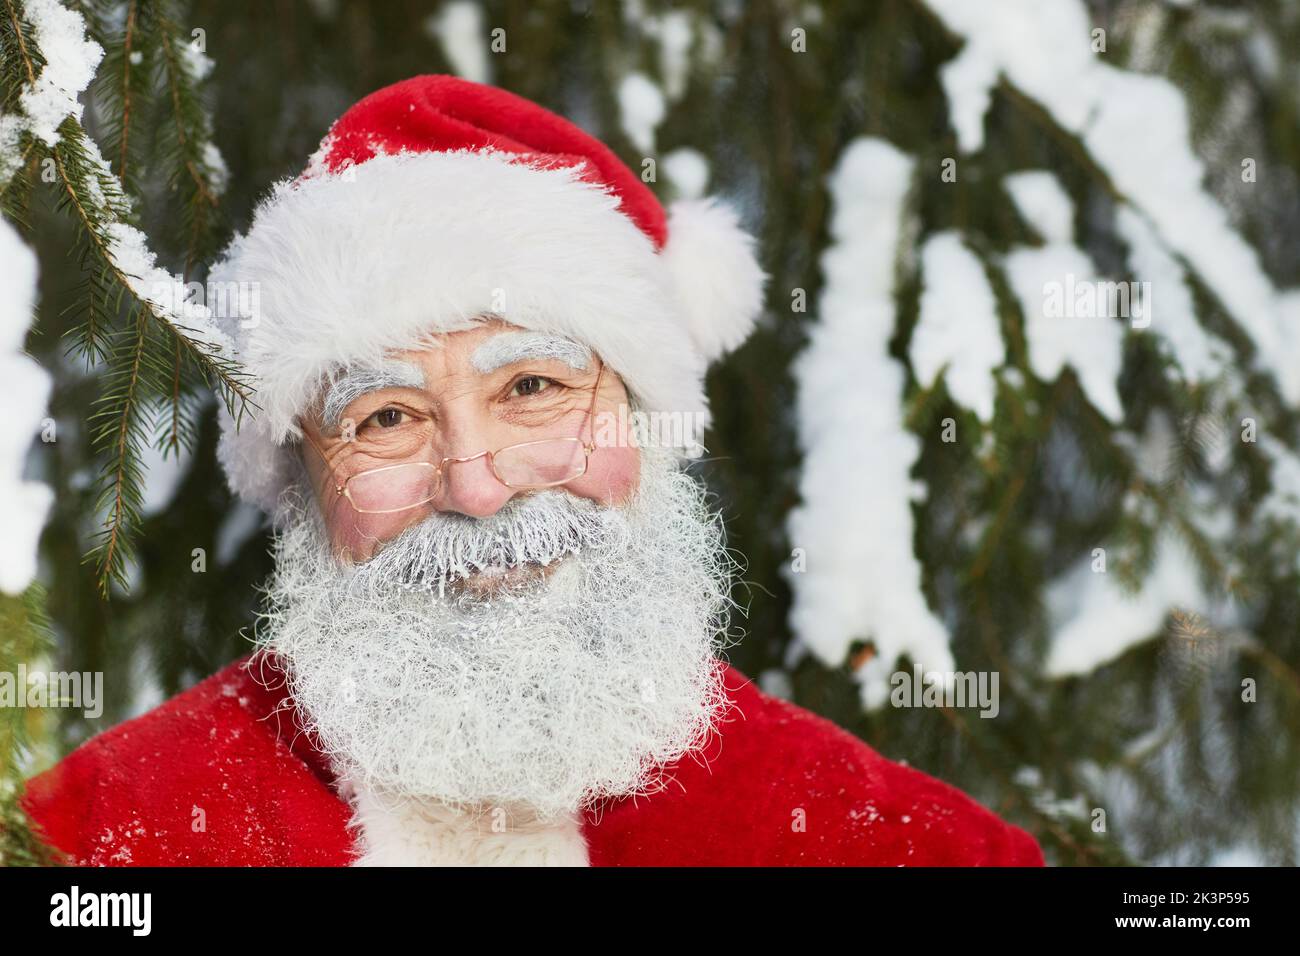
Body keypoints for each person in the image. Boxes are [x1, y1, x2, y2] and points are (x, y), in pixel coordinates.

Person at [20, 76, 1044, 867]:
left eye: (532, 390)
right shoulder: (97, 837)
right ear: (303, 479)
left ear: (644, 423)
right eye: (386, 416)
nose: (476, 486)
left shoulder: (894, 844)